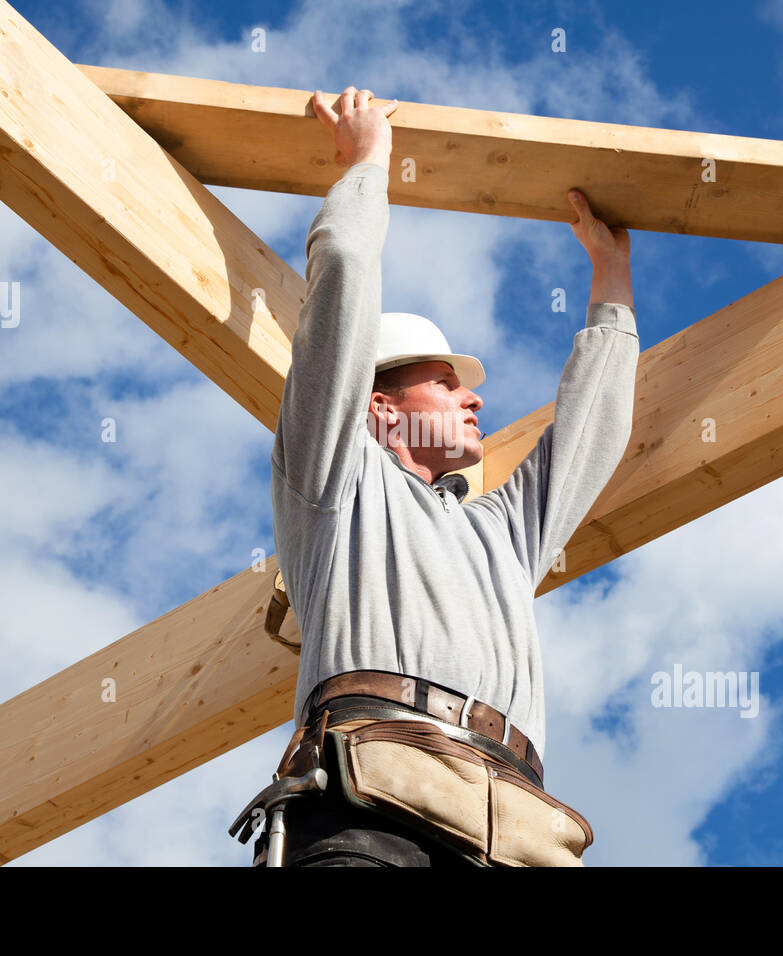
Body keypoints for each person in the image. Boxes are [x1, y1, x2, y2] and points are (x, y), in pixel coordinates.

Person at [250, 86, 639, 866]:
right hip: (371, 808)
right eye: (443, 382)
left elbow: (589, 434)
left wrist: (611, 281)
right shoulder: (336, 488)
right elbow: (343, 292)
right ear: (379, 408)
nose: (475, 397)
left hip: (507, 830)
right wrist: (365, 164)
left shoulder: (499, 534)